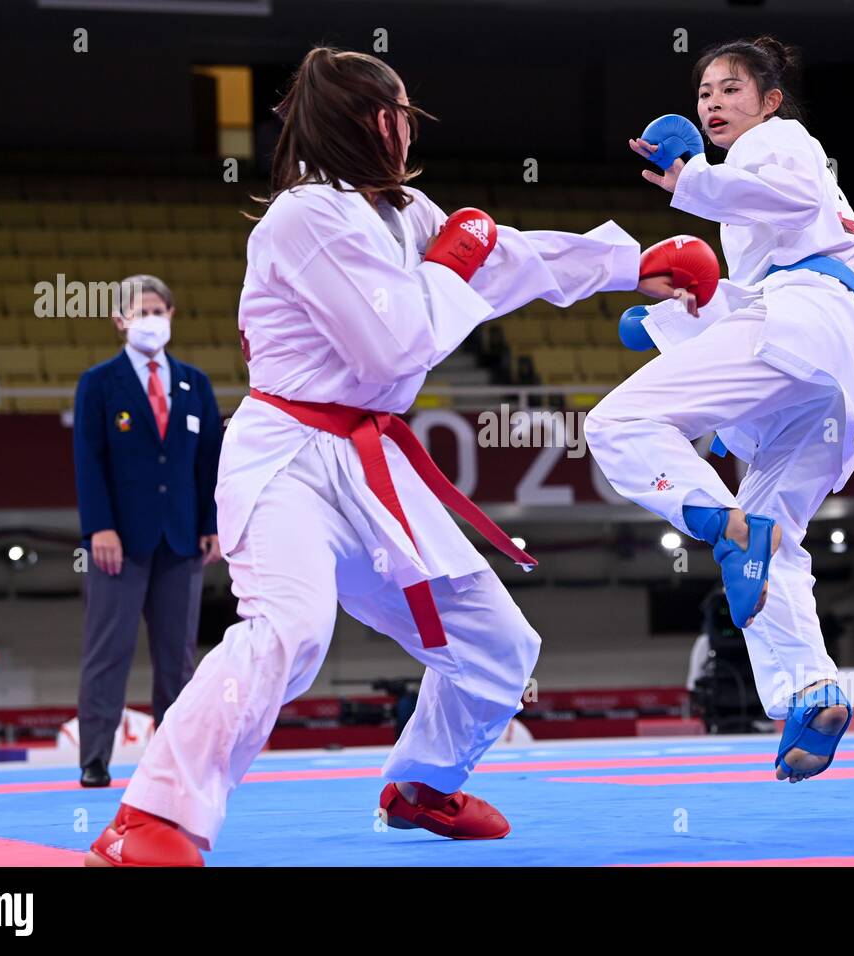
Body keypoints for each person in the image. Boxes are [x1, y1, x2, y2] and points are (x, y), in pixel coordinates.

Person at [86, 47, 648, 866]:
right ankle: (153, 818)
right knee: (291, 627)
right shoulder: (303, 217)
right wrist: (454, 263)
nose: (405, 128)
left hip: (369, 461)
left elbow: (507, 260)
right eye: (397, 112)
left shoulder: (406, 212)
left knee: (498, 648)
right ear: (365, 121)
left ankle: (422, 784)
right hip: (290, 460)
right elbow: (395, 350)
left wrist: (634, 265)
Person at [586, 36, 854, 783]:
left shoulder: (779, 145)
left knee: (613, 425)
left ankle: (719, 524)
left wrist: (694, 179)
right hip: (828, 362)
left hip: (805, 326)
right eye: (704, 94)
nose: (714, 103)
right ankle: (814, 692)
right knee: (774, 545)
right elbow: (762, 278)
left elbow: (789, 206)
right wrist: (667, 319)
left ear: (770, 101)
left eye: (730, 90)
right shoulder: (755, 172)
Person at [72, 275, 224, 789]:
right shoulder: (98, 383)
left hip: (181, 540)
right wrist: (100, 528)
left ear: (172, 315)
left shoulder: (195, 385)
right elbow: (88, 463)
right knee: (107, 652)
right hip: (118, 541)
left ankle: (173, 758)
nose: (151, 319)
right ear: (119, 321)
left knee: (177, 658)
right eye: (140, 311)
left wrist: (212, 526)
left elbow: (209, 464)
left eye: (158, 310)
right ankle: (94, 758)